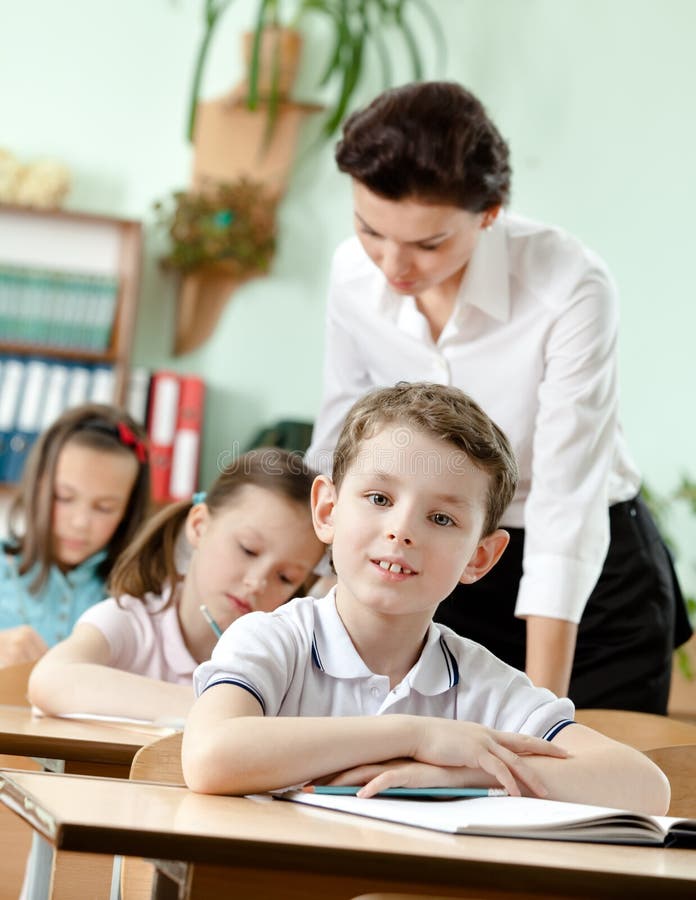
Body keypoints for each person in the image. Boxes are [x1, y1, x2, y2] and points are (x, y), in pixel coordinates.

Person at [305, 81, 691, 712]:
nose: (392, 264)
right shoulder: (353, 274)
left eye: (428, 244)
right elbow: (339, 439)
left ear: (490, 212)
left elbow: (568, 501)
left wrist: (541, 716)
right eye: (370, 229)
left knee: (569, 785)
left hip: (584, 576)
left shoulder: (569, 284)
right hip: (442, 557)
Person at [183, 383, 669, 815]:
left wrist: (461, 775)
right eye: (379, 499)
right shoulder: (272, 640)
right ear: (328, 510)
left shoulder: (484, 685)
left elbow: (644, 787)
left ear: (480, 557)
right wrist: (417, 737)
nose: (401, 531)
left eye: (441, 519)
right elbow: (210, 756)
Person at [28, 448, 326, 721]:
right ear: (199, 526)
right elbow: (50, 679)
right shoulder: (133, 621)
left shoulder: (283, 657)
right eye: (247, 549)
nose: (257, 582)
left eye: (286, 577)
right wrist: (222, 706)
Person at [0, 403, 150, 667]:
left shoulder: (140, 594)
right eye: (64, 497)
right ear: (38, 487)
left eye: (105, 507)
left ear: (128, 511)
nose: (81, 523)